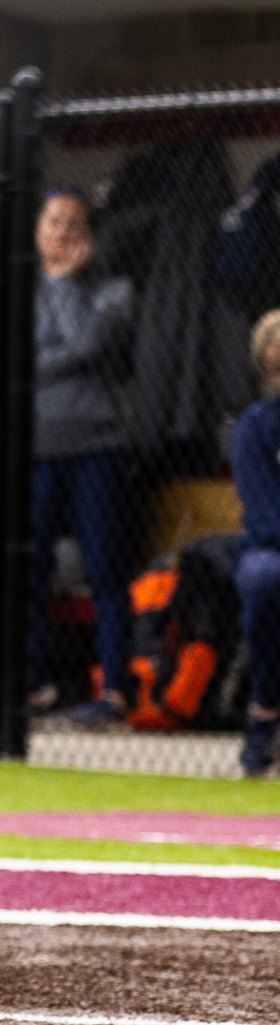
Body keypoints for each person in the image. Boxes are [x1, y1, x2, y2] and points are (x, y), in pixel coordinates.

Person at [0, 188, 137, 725]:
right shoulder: (13, 287)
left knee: (105, 569)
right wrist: (46, 355)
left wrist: (65, 286)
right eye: (54, 222)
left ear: (89, 236)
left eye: (75, 225)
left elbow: (89, 342)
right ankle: (32, 685)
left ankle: (114, 690)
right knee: (27, 566)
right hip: (34, 451)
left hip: (96, 447)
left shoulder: (113, 290)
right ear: (37, 229)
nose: (63, 234)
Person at [229, 310, 280, 776]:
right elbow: (263, 511)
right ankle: (265, 708)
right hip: (273, 546)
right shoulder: (257, 425)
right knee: (264, 577)